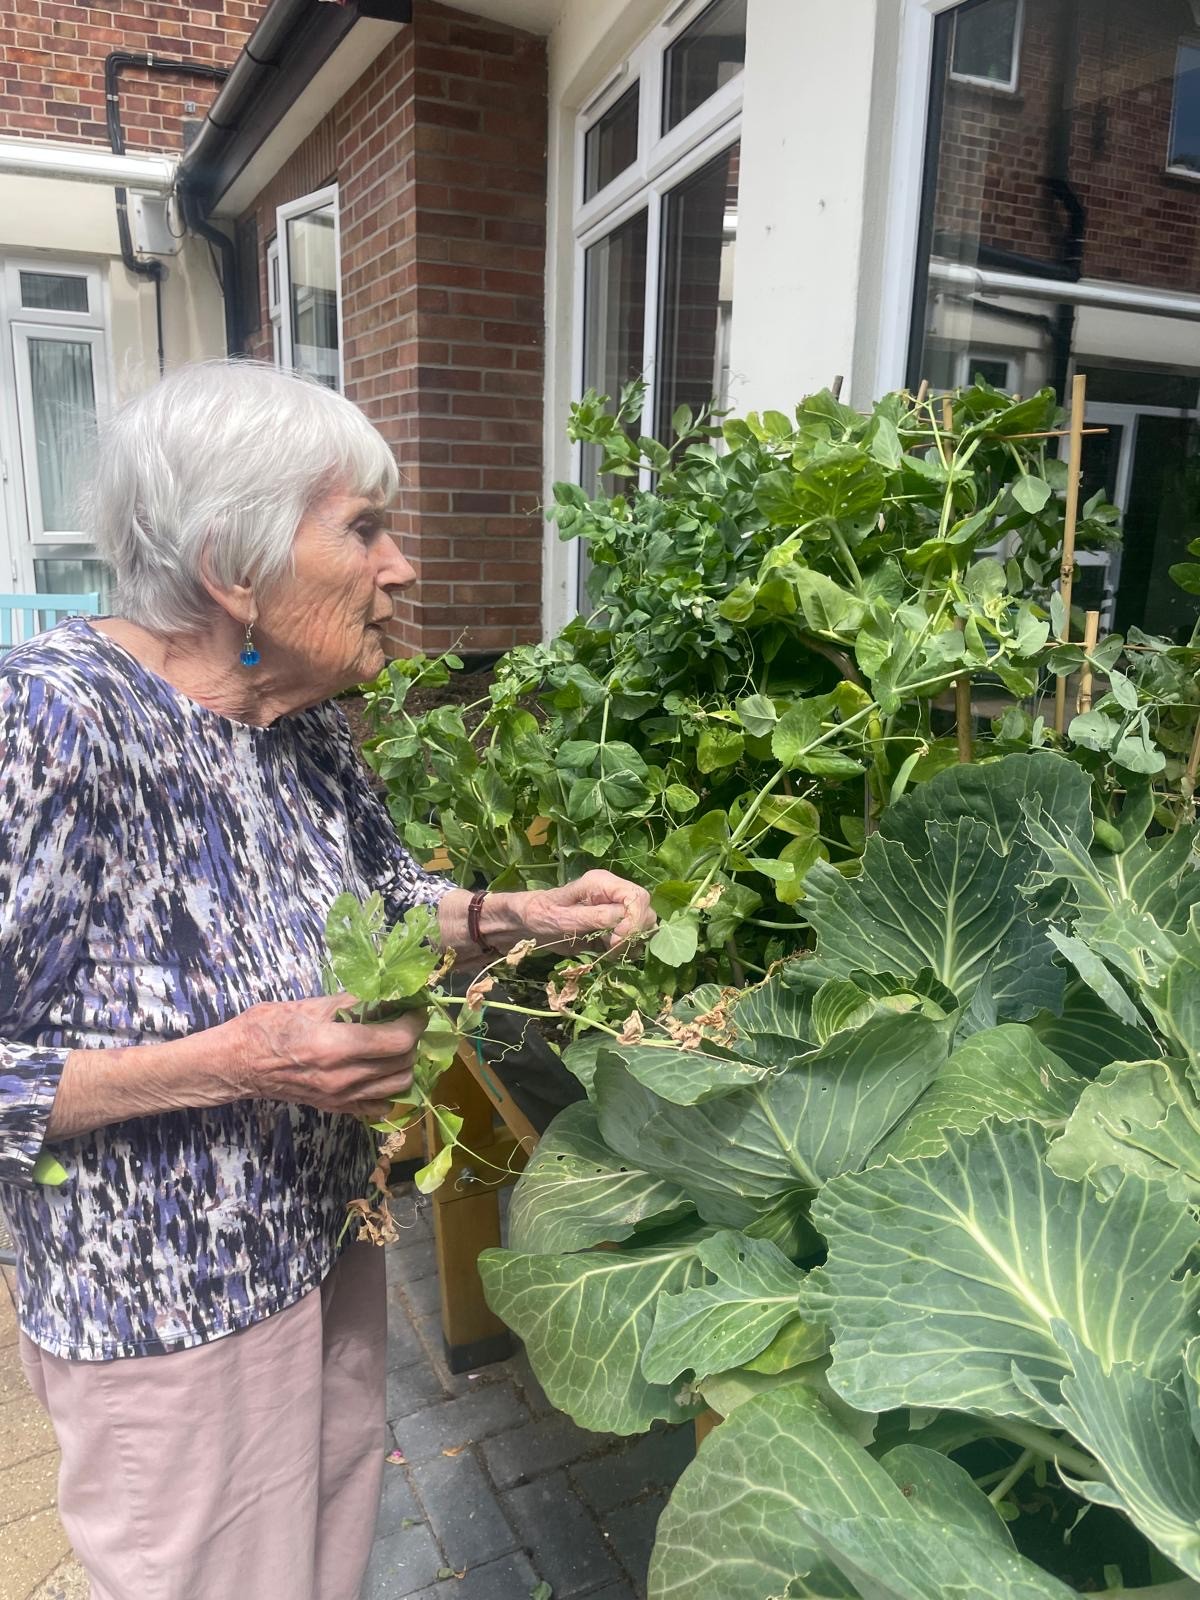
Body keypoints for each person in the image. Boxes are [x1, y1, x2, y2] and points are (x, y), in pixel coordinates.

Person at [0, 361, 655, 1600]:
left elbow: (389, 902)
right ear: (231, 565)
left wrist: (525, 912)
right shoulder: (49, 725)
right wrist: (235, 1059)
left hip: (328, 1249)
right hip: (168, 1319)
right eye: (364, 528)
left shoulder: (297, 719)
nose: (401, 566)